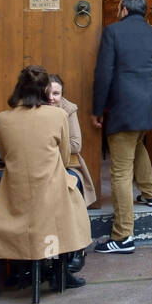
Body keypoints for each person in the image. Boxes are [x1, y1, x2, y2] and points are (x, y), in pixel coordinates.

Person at [0, 66, 91, 290]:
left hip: (14, 194)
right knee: (73, 199)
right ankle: (62, 269)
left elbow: (4, 157)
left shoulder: (1, 119)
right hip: (50, 194)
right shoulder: (58, 115)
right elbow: (64, 158)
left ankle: (22, 270)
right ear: (45, 90)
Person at [92, 0, 152, 253]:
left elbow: (103, 74)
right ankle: (151, 192)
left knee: (120, 171)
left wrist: (98, 109)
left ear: (123, 9)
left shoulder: (113, 32)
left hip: (125, 105)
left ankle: (123, 236)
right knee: (136, 143)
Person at [47, 74, 98, 209]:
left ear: (62, 95)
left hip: (66, 164)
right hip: (40, 165)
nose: (51, 98)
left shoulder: (68, 109)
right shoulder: (34, 108)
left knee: (70, 183)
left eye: (56, 93)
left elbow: (75, 145)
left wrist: (45, 147)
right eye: (47, 93)